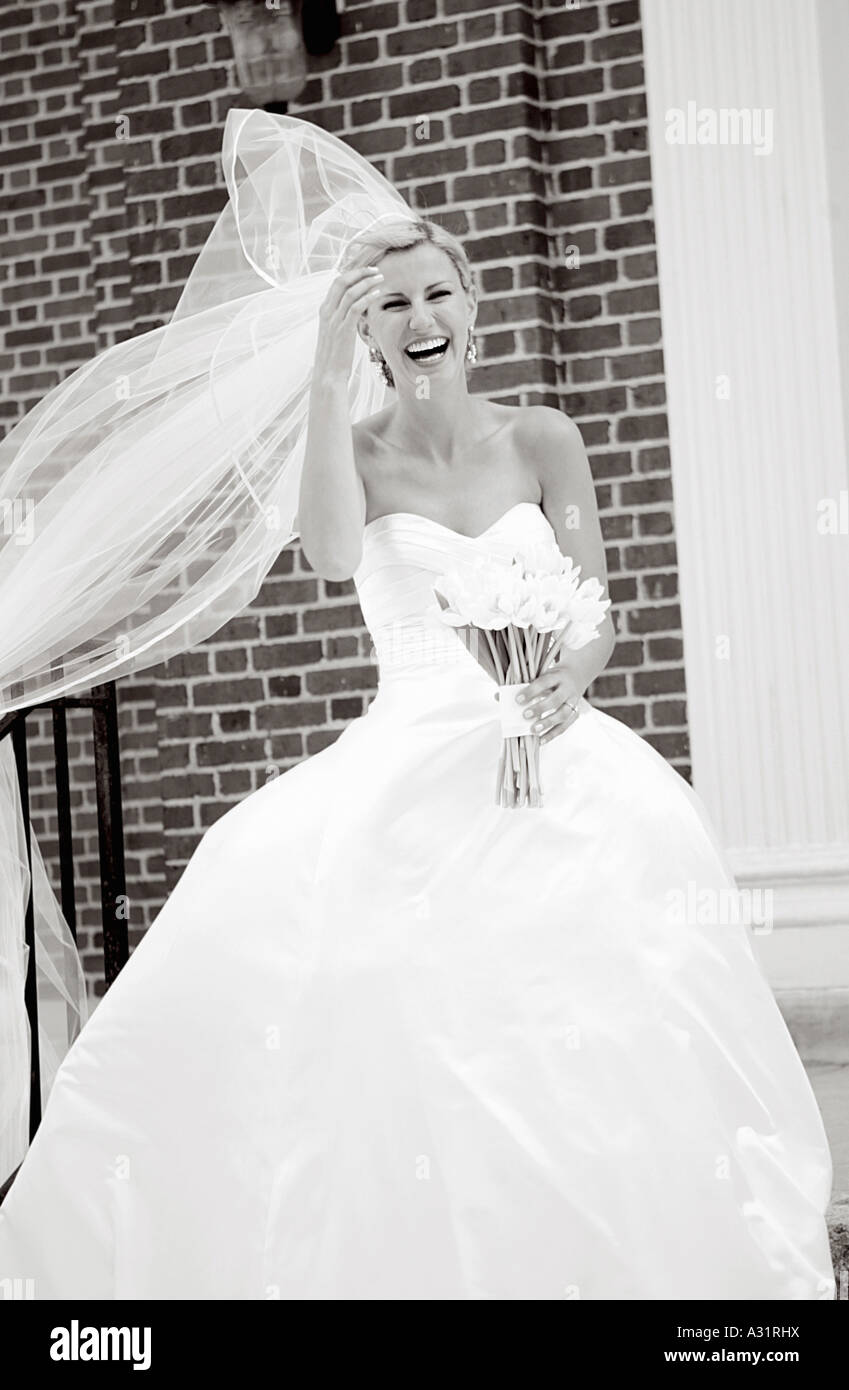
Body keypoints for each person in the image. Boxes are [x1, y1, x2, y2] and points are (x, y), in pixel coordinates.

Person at [0, 214, 834, 1302]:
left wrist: (563, 684)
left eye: (436, 294)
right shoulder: (351, 451)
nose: (419, 318)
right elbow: (334, 552)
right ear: (368, 331)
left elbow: (598, 608)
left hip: (559, 749)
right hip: (409, 754)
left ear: (471, 306)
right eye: (390, 304)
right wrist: (321, 377)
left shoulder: (544, 438)